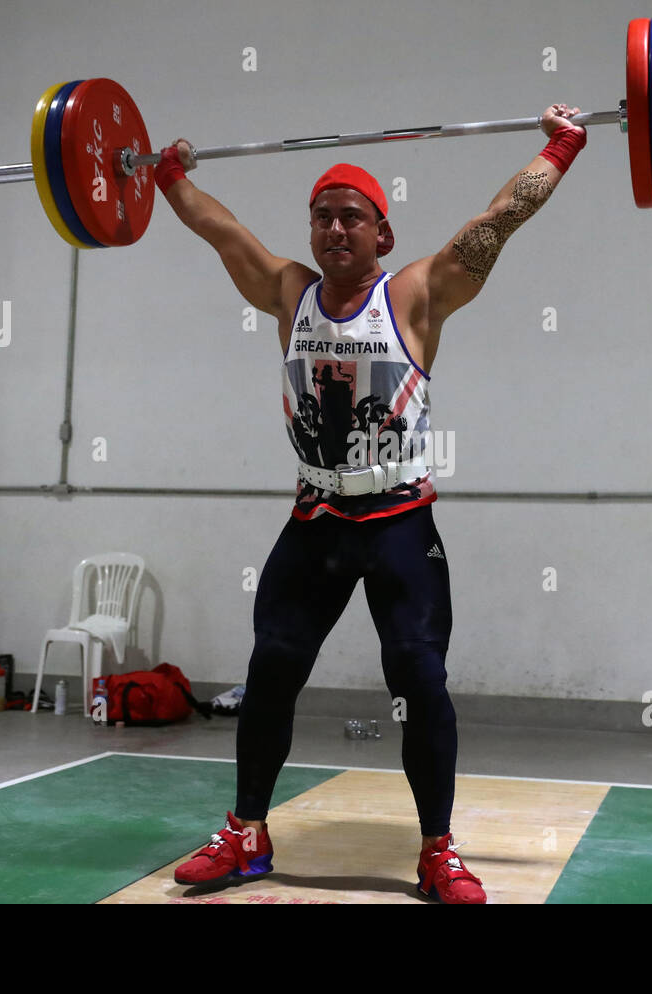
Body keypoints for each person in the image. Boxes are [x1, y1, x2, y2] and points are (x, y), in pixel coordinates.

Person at [154, 103, 588, 904]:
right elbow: (219, 229)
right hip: (316, 520)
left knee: (419, 679)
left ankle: (436, 851)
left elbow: (501, 219)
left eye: (350, 216)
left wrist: (562, 145)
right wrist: (167, 173)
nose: (333, 229)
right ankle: (247, 834)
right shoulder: (289, 292)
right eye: (321, 217)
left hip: (398, 523)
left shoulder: (418, 292)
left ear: (382, 233)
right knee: (272, 668)